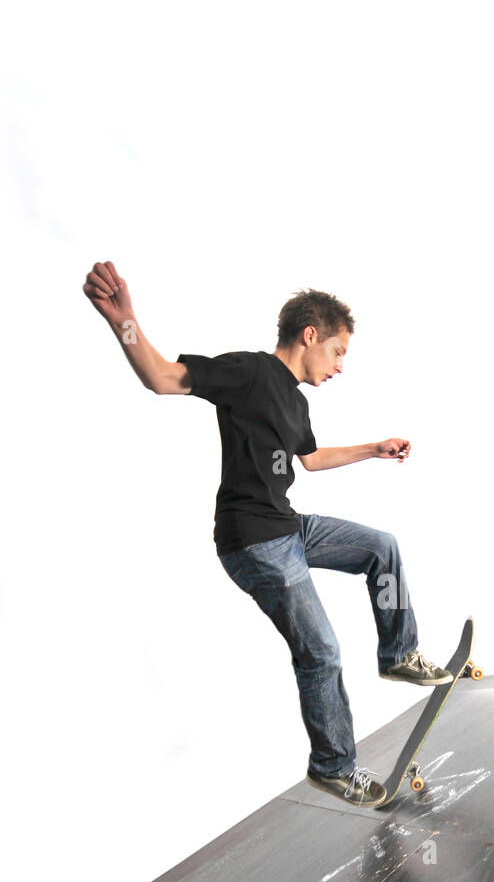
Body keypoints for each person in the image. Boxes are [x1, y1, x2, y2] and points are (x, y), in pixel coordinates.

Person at [82, 260, 451, 808]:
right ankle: (333, 767)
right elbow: (162, 377)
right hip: (253, 540)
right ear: (310, 335)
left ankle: (399, 654)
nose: (341, 366)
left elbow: (312, 459)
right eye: (339, 351)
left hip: (289, 527)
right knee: (321, 649)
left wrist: (374, 448)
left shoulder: (295, 401)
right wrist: (125, 322)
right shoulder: (250, 372)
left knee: (381, 547)